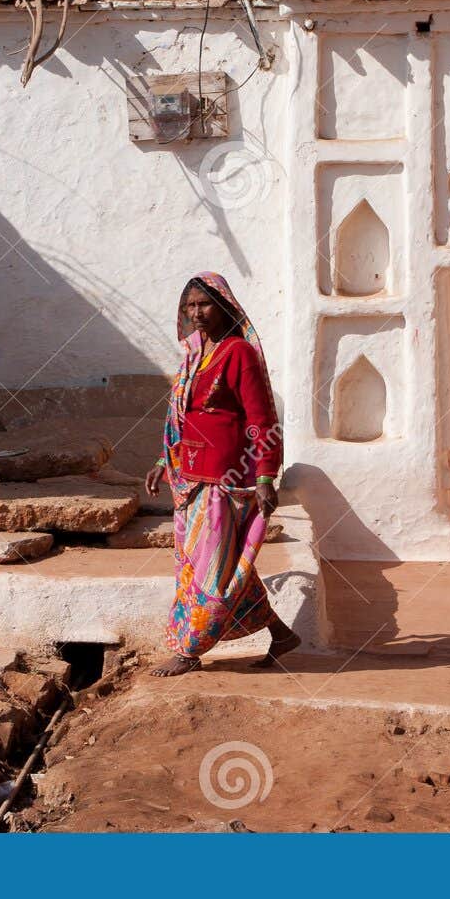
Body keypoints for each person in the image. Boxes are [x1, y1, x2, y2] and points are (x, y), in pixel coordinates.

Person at [143, 273, 300, 677]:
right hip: (189, 479)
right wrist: (164, 461)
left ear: (225, 306)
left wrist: (266, 477)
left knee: (208, 573)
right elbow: (183, 415)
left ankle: (189, 650)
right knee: (213, 567)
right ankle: (281, 634)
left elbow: (262, 418)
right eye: (190, 305)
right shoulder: (194, 354)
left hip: (225, 480)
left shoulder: (238, 353)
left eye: (204, 304)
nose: (196, 313)